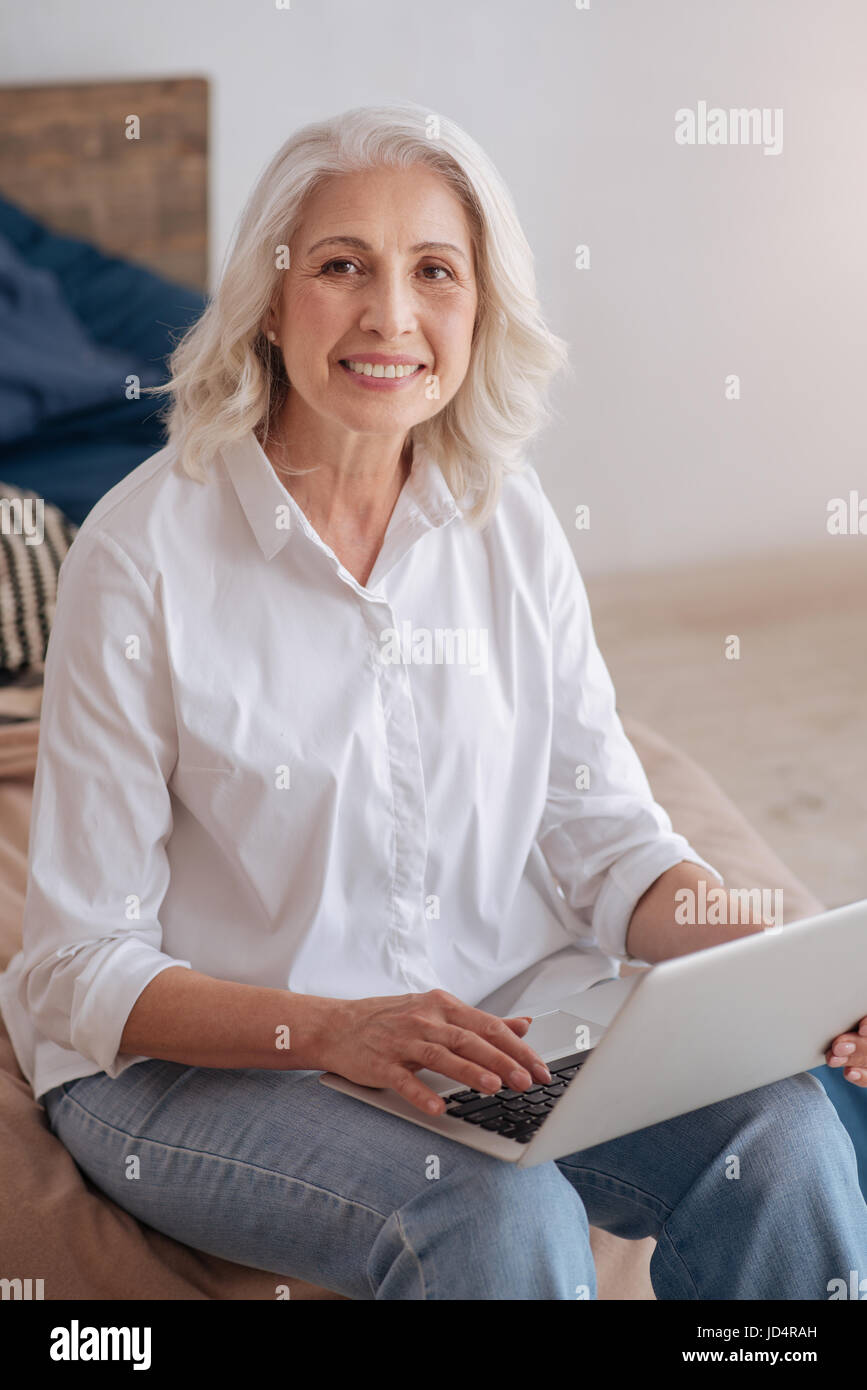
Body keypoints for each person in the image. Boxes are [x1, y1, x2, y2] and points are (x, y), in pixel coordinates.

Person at [1, 102, 865, 1301]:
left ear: (480, 309)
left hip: (490, 1031)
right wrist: (336, 1028)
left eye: (434, 272)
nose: (389, 316)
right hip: (197, 1069)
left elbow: (608, 842)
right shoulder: (141, 551)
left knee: (784, 1138)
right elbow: (75, 967)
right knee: (489, 1214)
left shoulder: (507, 519)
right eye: (343, 265)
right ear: (269, 293)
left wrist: (793, 973)